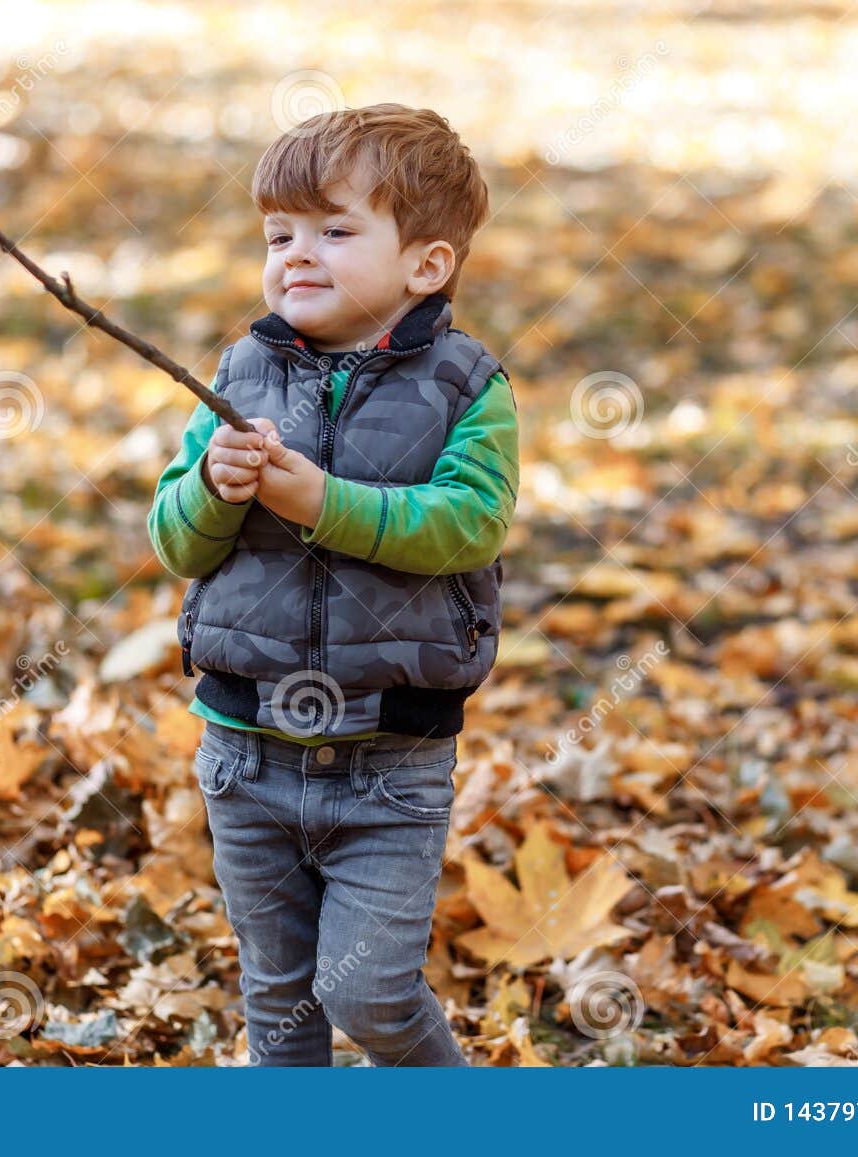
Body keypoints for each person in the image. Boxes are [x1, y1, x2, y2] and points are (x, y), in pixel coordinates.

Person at [146, 103, 519, 1066]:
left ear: (426, 265)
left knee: (368, 990)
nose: (296, 255)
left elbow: (468, 525)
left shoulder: (467, 388)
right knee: (278, 1002)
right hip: (245, 750)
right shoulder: (241, 376)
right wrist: (211, 489)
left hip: (390, 760)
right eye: (280, 235)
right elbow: (176, 544)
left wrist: (324, 501)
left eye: (335, 231)